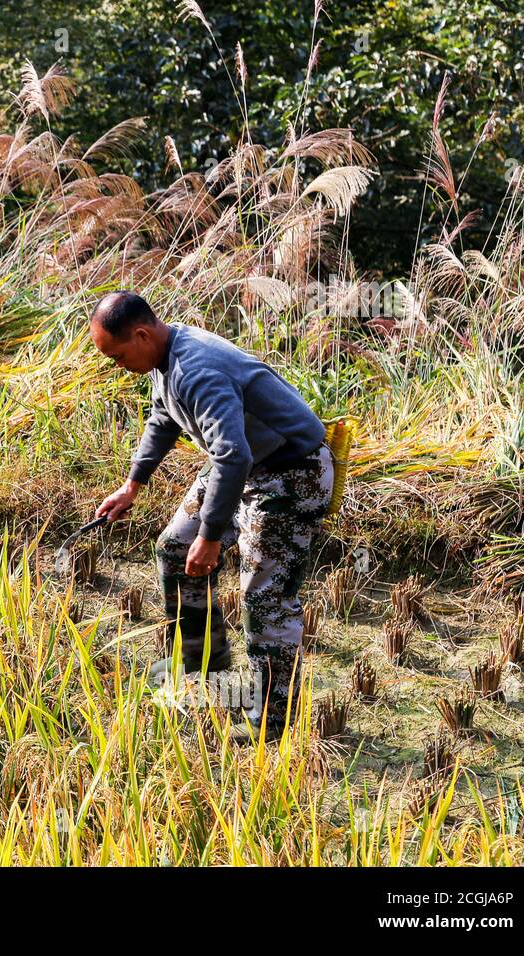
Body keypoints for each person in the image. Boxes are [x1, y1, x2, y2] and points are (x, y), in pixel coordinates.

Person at [90, 291, 333, 743]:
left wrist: (212, 535)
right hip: (245, 465)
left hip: (289, 472)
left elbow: (232, 456)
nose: (118, 366)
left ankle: (274, 725)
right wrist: (132, 484)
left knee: (264, 602)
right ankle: (205, 664)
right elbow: (163, 418)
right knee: (174, 549)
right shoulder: (163, 359)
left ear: (142, 334)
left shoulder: (197, 369)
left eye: (118, 356)